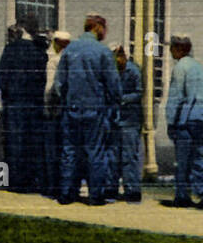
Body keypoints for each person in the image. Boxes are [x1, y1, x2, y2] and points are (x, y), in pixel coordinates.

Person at [54, 14, 122, 206]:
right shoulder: (102, 52)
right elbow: (113, 83)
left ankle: (67, 193)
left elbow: (60, 84)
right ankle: (95, 195)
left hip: (71, 108)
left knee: (70, 151)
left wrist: (67, 100)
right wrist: (115, 101)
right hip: (95, 109)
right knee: (95, 152)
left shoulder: (70, 50)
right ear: (98, 28)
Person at [162, 32, 203, 209]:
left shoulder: (180, 67)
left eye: (172, 47)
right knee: (195, 157)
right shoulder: (197, 67)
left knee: (183, 160)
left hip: (184, 121)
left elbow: (181, 97)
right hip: (198, 120)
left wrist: (175, 121)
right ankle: (198, 191)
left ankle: (189, 193)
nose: (170, 51)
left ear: (179, 48)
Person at [0, 20, 47, 193]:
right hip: (34, 104)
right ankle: (30, 181)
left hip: (14, 103)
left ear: (22, 29)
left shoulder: (11, 49)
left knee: (13, 142)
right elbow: (43, 79)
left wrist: (7, 94)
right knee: (31, 143)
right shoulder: (40, 52)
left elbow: (0, 75)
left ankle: (14, 181)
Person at [110, 43, 144, 202]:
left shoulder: (133, 71)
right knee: (114, 155)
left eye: (118, 56)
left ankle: (132, 189)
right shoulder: (111, 72)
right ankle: (112, 187)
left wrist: (122, 99)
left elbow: (138, 93)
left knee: (129, 156)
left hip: (131, 120)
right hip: (116, 120)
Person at [42, 30, 71, 197]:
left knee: (52, 150)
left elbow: (49, 87)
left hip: (54, 109)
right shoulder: (71, 59)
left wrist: (47, 108)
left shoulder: (53, 61)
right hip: (67, 109)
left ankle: (52, 186)